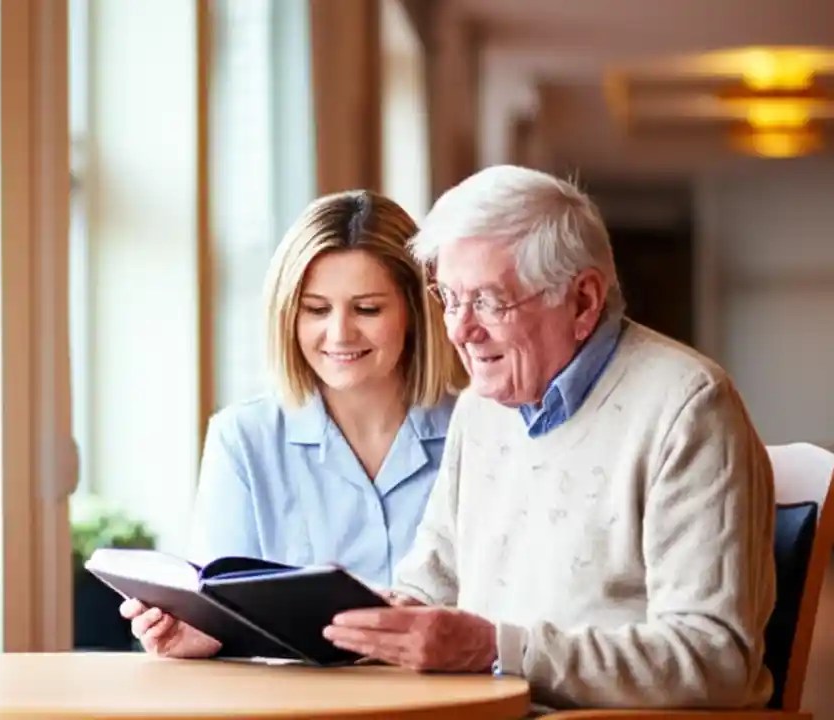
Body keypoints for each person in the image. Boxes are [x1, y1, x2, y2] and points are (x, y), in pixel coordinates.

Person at [321, 165, 776, 711]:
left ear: (583, 301)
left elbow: (715, 659)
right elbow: (429, 588)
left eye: (490, 301)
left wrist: (498, 650)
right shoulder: (480, 409)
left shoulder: (688, 406)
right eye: (450, 298)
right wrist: (336, 622)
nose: (460, 330)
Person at [121, 189, 467, 657]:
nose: (340, 333)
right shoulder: (243, 440)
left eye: (367, 309)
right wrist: (196, 635)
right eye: (317, 310)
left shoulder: (478, 433)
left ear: (415, 310)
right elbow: (220, 611)